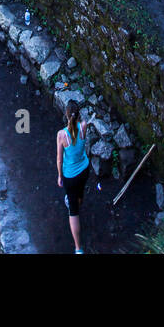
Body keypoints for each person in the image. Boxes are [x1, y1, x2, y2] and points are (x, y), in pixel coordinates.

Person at [57, 99, 90, 254]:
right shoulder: (84, 126)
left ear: (66, 114)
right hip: (84, 170)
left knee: (73, 212)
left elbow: (59, 159)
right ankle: (78, 201)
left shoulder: (62, 135)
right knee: (80, 192)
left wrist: (60, 176)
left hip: (70, 175)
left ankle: (78, 248)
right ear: (78, 115)